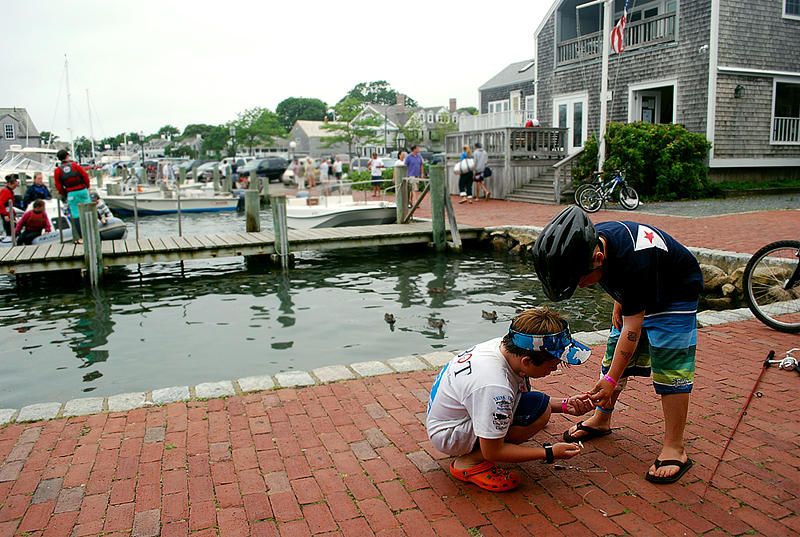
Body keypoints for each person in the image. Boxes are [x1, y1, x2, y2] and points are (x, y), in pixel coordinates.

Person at [532, 206, 704, 484]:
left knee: (672, 370)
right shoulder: (592, 242)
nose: (583, 287)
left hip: (675, 292)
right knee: (614, 354)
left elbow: (633, 330)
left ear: (597, 257)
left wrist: (611, 379)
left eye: (582, 282)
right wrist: (620, 300)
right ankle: (602, 419)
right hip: (641, 284)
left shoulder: (633, 262)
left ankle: (675, 447)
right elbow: (621, 277)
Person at [427, 307, 593, 492]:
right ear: (527, 361)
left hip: (454, 420)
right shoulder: (495, 386)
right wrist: (549, 452)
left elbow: (516, 394)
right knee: (539, 413)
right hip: (451, 436)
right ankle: (469, 462)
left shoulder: (505, 347)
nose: (554, 370)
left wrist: (565, 405)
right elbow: (494, 451)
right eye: (553, 365)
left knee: (540, 404)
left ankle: (482, 443)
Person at [54, 149, 91, 244]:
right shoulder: (75, 166)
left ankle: (82, 237)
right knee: (89, 210)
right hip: (82, 190)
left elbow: (58, 186)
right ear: (67, 156)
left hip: (71, 193)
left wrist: (65, 193)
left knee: (76, 215)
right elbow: (85, 176)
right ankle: (91, 233)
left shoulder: (58, 170)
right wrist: (86, 187)